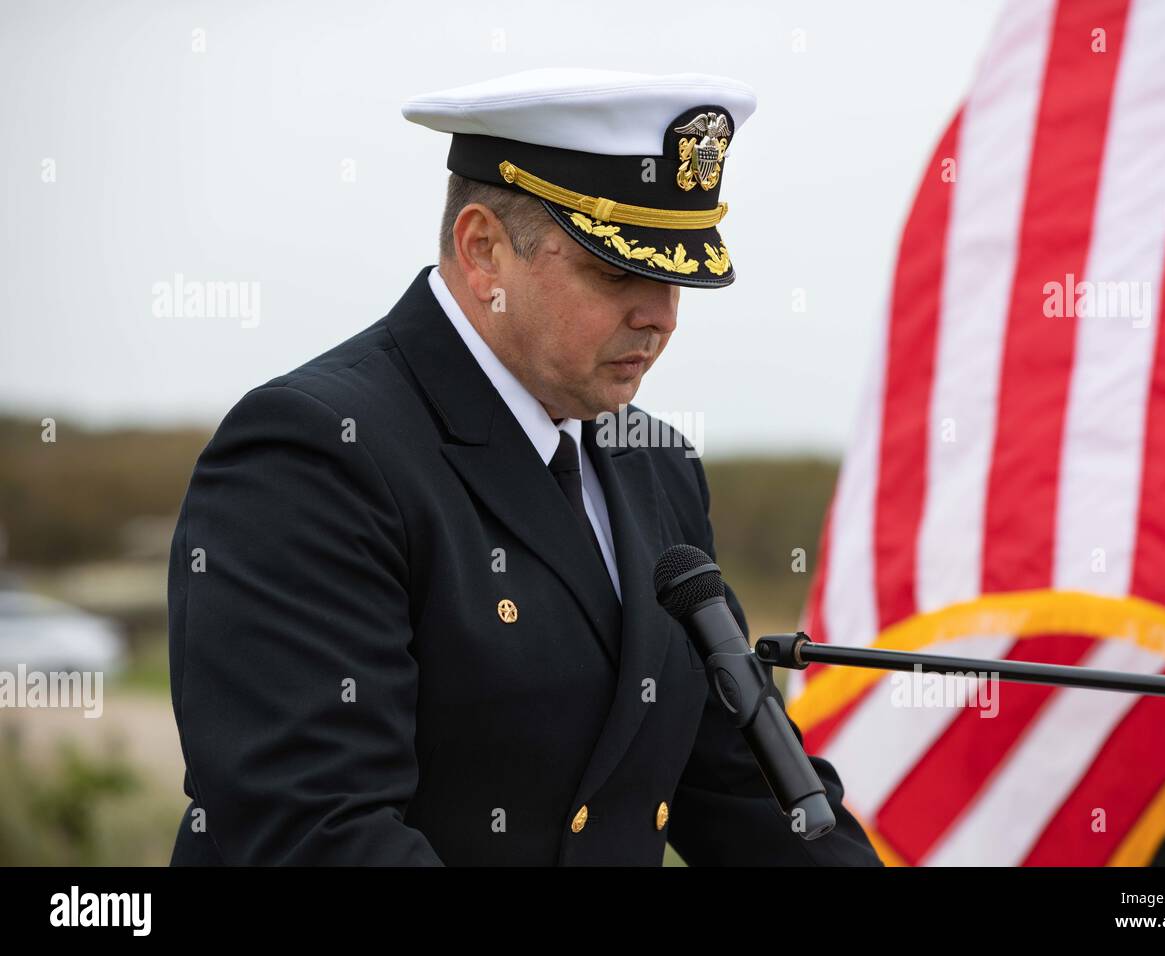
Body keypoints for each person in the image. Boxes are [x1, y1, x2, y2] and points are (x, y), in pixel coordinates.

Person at [166, 68, 884, 866]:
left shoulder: (659, 465)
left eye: (678, 275)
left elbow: (740, 789)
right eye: (618, 272)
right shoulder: (313, 453)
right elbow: (314, 830)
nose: (660, 315)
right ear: (483, 252)